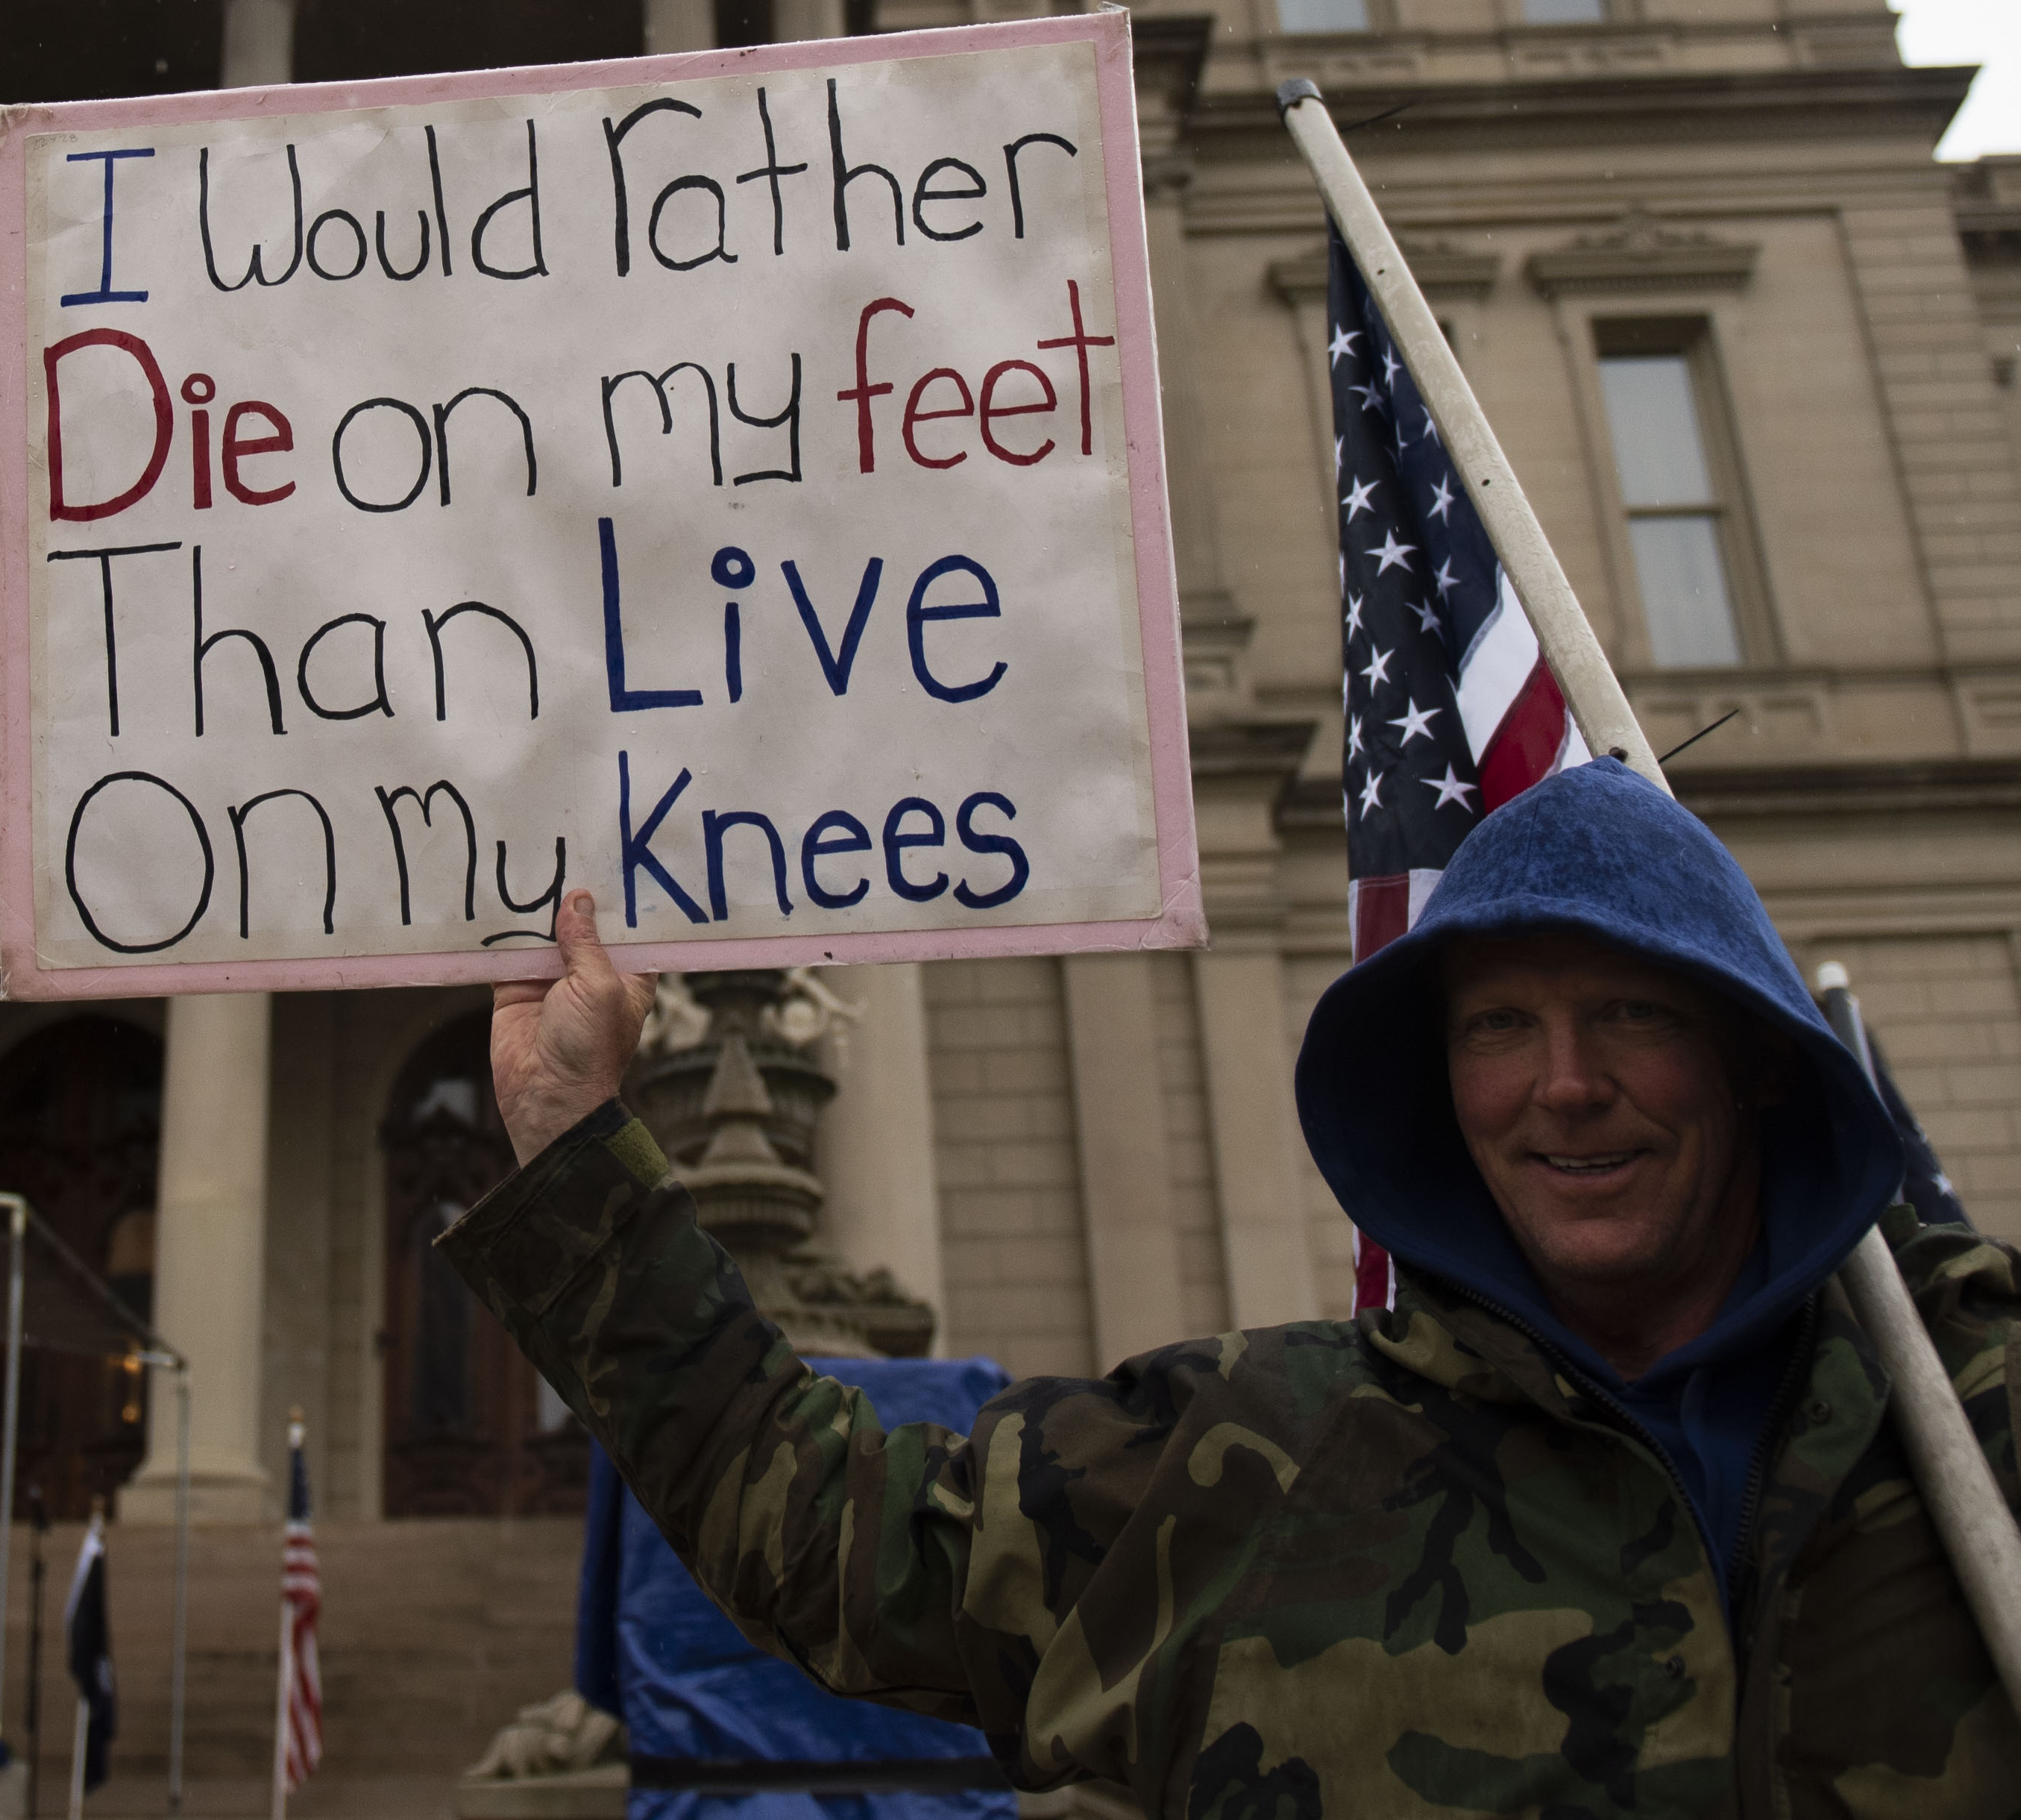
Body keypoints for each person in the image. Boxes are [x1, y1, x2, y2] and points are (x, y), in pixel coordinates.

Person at [444, 759, 2018, 1807]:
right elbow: (834, 1528)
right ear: (1433, 1087)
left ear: (1749, 1059)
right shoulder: (1260, 1459)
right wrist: (575, 1151)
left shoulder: (1976, 1397)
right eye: (1496, 1025)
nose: (1563, 1084)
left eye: (1628, 1013)